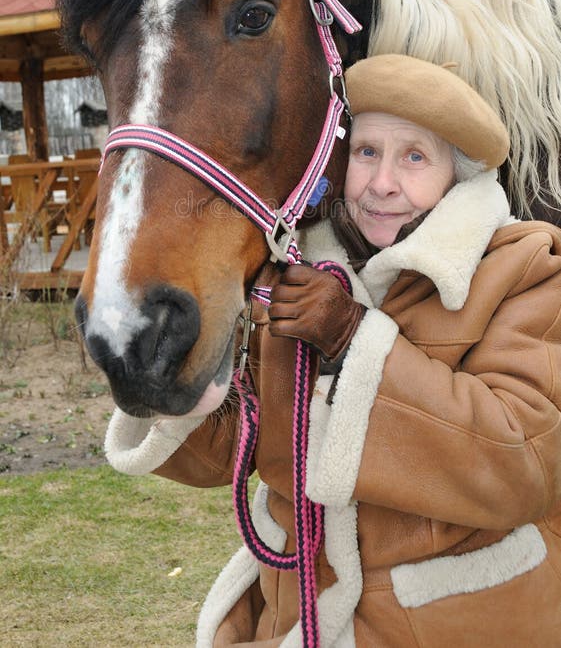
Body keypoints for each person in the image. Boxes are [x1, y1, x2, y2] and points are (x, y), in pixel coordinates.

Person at [105, 55, 561, 647]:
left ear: (460, 172)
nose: (382, 183)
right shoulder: (295, 268)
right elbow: (233, 451)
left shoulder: (525, 269)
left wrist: (354, 340)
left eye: (414, 157)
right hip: (297, 610)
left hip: (452, 618)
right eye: (367, 151)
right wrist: (163, 365)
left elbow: (522, 465)